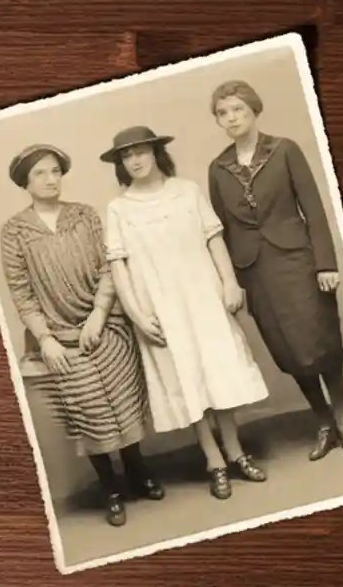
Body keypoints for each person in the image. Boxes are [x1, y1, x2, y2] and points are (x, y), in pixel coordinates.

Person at [100, 125, 270, 500]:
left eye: (141, 151)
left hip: (202, 297)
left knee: (218, 375)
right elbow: (118, 267)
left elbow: (213, 238)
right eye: (127, 155)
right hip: (159, 308)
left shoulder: (187, 191)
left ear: (157, 153)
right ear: (121, 164)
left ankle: (237, 453)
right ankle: (214, 462)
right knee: (186, 380)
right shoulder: (119, 208)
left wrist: (228, 282)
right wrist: (137, 315)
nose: (136, 160)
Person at [0, 143, 162, 527]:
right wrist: (47, 339)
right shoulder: (15, 231)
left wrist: (99, 316)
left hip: (104, 325)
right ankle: (110, 489)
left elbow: (109, 268)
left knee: (123, 402)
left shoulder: (85, 216)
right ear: (26, 181)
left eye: (55, 171)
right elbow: (20, 292)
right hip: (58, 337)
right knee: (88, 411)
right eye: (40, 173)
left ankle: (138, 473)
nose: (50, 179)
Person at [207, 80, 343, 461]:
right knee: (287, 349)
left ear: (254, 110)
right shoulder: (218, 168)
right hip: (255, 272)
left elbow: (313, 208)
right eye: (223, 113)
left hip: (298, 261)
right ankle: (323, 421)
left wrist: (325, 263)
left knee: (320, 340)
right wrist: (235, 282)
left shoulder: (284, 150)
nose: (232, 118)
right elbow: (223, 229)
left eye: (238, 109)